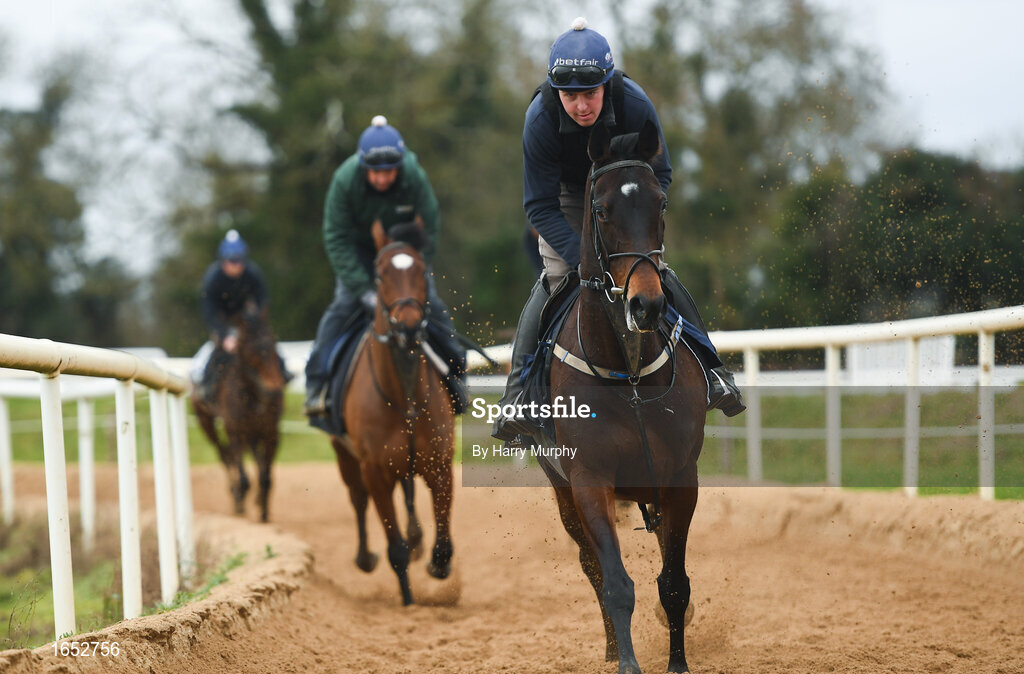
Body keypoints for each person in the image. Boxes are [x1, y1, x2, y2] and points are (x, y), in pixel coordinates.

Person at [492, 17, 745, 442]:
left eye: (589, 94)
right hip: (568, 200)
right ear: (557, 92)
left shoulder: (635, 104)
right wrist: (582, 258)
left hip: (627, 193)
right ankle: (518, 396)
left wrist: (637, 214)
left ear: (606, 85)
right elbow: (538, 203)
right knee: (556, 279)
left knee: (657, 275)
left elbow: (660, 173)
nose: (581, 106)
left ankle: (714, 371)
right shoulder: (539, 119)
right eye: (570, 96)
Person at [304, 115, 465, 417]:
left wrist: (416, 269)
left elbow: (429, 229)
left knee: (434, 306)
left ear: (400, 165)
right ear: (363, 166)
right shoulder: (344, 180)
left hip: (404, 257)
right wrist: (362, 290)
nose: (381, 178)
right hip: (359, 257)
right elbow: (336, 238)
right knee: (339, 311)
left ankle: (458, 376)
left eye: (389, 171)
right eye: (374, 172)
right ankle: (317, 386)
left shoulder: (414, 176)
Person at [196, 229, 289, 402]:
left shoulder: (253, 274)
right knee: (218, 353)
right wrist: (224, 336)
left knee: (267, 344)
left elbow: (263, 298)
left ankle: (283, 373)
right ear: (223, 261)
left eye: (240, 260)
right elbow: (209, 310)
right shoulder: (213, 279)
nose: (236, 265)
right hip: (223, 321)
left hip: (246, 320)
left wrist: (256, 319)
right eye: (232, 261)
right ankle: (207, 386)